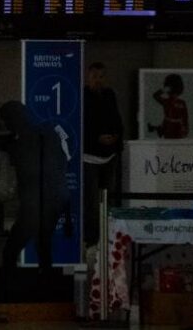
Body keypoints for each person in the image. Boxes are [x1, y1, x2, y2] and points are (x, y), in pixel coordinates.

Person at [0, 100, 69, 270]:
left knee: (12, 248)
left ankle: (12, 287)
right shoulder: (48, 133)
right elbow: (61, 162)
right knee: (44, 244)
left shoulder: (19, 144)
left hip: (34, 202)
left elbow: (24, 173)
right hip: (56, 199)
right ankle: (46, 285)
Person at [82, 62, 123, 247]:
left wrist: (115, 137)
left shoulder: (109, 95)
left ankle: (110, 235)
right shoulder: (82, 96)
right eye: (94, 77)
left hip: (110, 154)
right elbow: (83, 124)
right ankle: (92, 238)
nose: (98, 80)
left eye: (101, 76)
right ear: (88, 77)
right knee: (91, 201)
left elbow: (116, 118)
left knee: (110, 198)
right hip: (89, 155)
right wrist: (97, 139)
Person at [150, 73, 189, 140]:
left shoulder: (182, 102)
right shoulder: (166, 101)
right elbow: (155, 95)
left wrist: (186, 128)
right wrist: (166, 88)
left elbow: (185, 117)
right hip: (168, 127)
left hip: (178, 128)